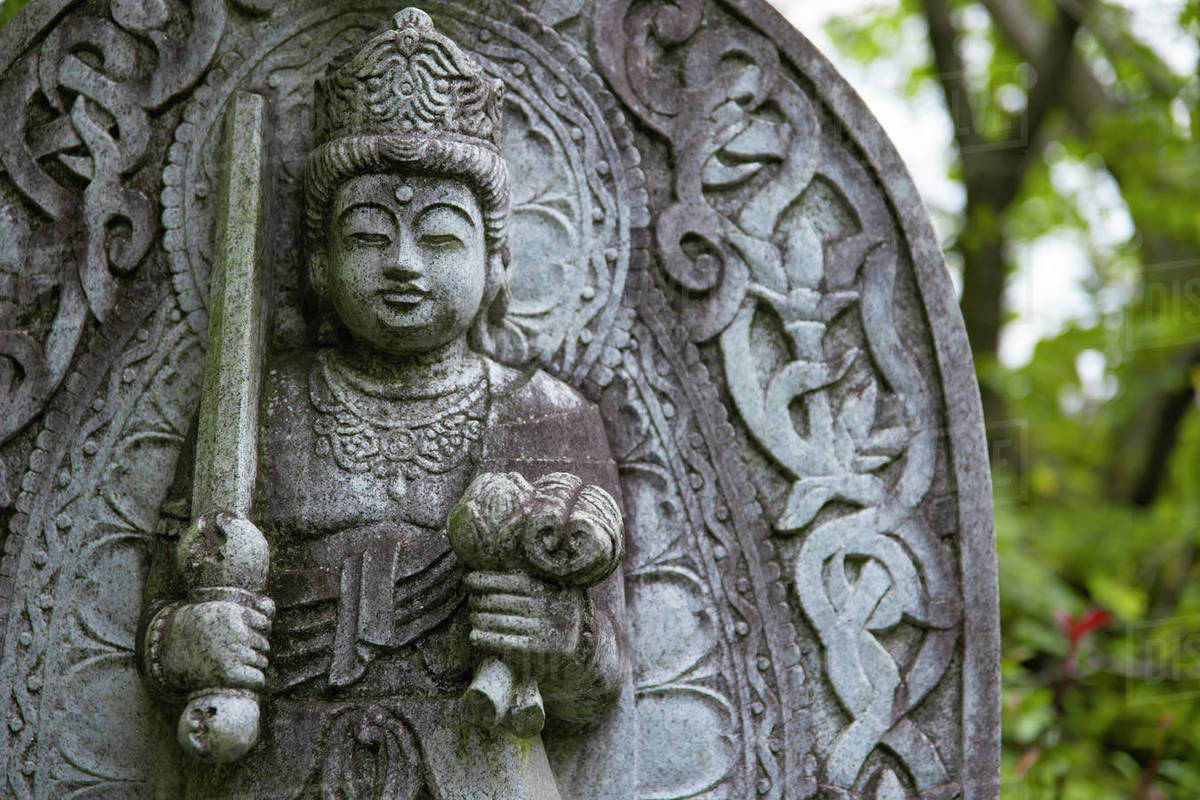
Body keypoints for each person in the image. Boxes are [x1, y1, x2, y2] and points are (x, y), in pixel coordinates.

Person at [136, 9, 626, 798]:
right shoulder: (260, 407)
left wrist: (558, 636)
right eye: (368, 236)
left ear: (496, 264)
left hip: (479, 763)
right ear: (321, 266)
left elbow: (602, 678)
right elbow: (169, 599)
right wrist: (189, 642)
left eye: (439, 239)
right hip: (277, 769)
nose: (402, 266)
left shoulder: (545, 413)